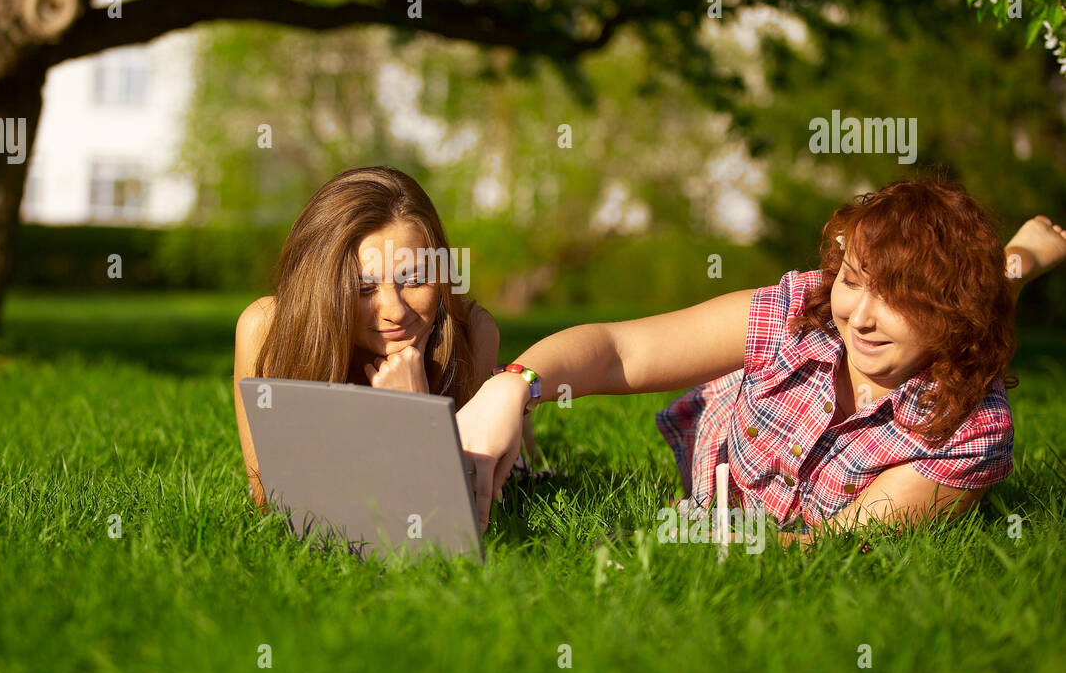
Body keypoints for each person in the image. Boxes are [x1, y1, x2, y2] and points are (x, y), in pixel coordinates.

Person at [456, 178, 1066, 540]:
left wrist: (674, 536)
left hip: (960, 342)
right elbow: (621, 352)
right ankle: (1013, 261)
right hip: (737, 411)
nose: (861, 316)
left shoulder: (970, 432)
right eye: (856, 279)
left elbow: (832, 545)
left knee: (984, 309)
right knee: (937, 307)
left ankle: (1014, 264)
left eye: (901, 298)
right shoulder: (809, 309)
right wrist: (515, 384)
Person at [234, 166, 537, 509]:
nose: (395, 310)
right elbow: (270, 501)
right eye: (364, 288)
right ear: (321, 288)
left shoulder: (473, 333)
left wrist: (418, 415)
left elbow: (449, 510)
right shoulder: (267, 330)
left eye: (416, 279)